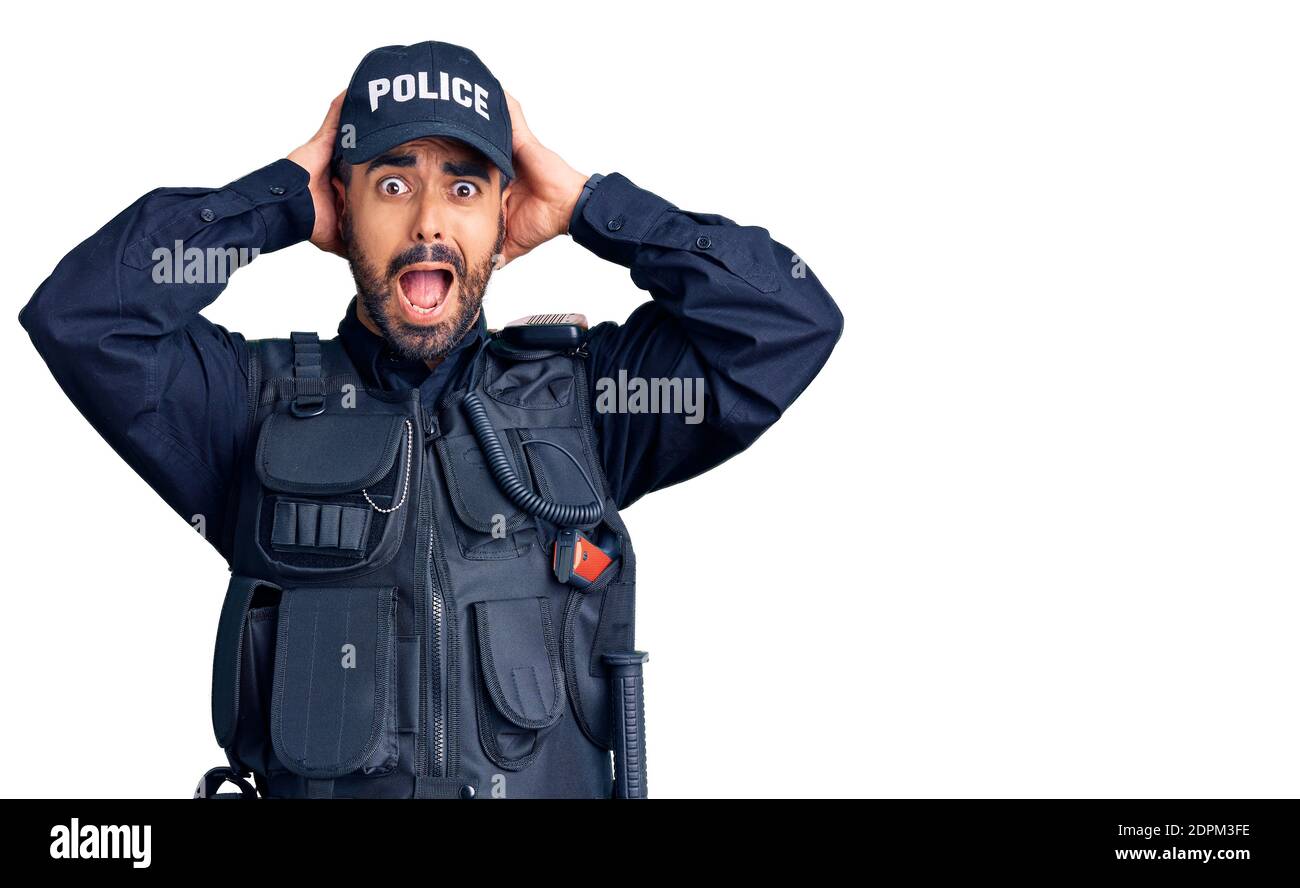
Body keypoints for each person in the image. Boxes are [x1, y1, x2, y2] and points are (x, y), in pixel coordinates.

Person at [19, 41, 843, 799]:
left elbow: (786, 322)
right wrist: (271, 201)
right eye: (390, 183)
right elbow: (83, 315)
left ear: (503, 213)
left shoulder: (591, 403)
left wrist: (591, 205)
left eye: (463, 187)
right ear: (338, 207)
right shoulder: (248, 405)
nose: (428, 222)